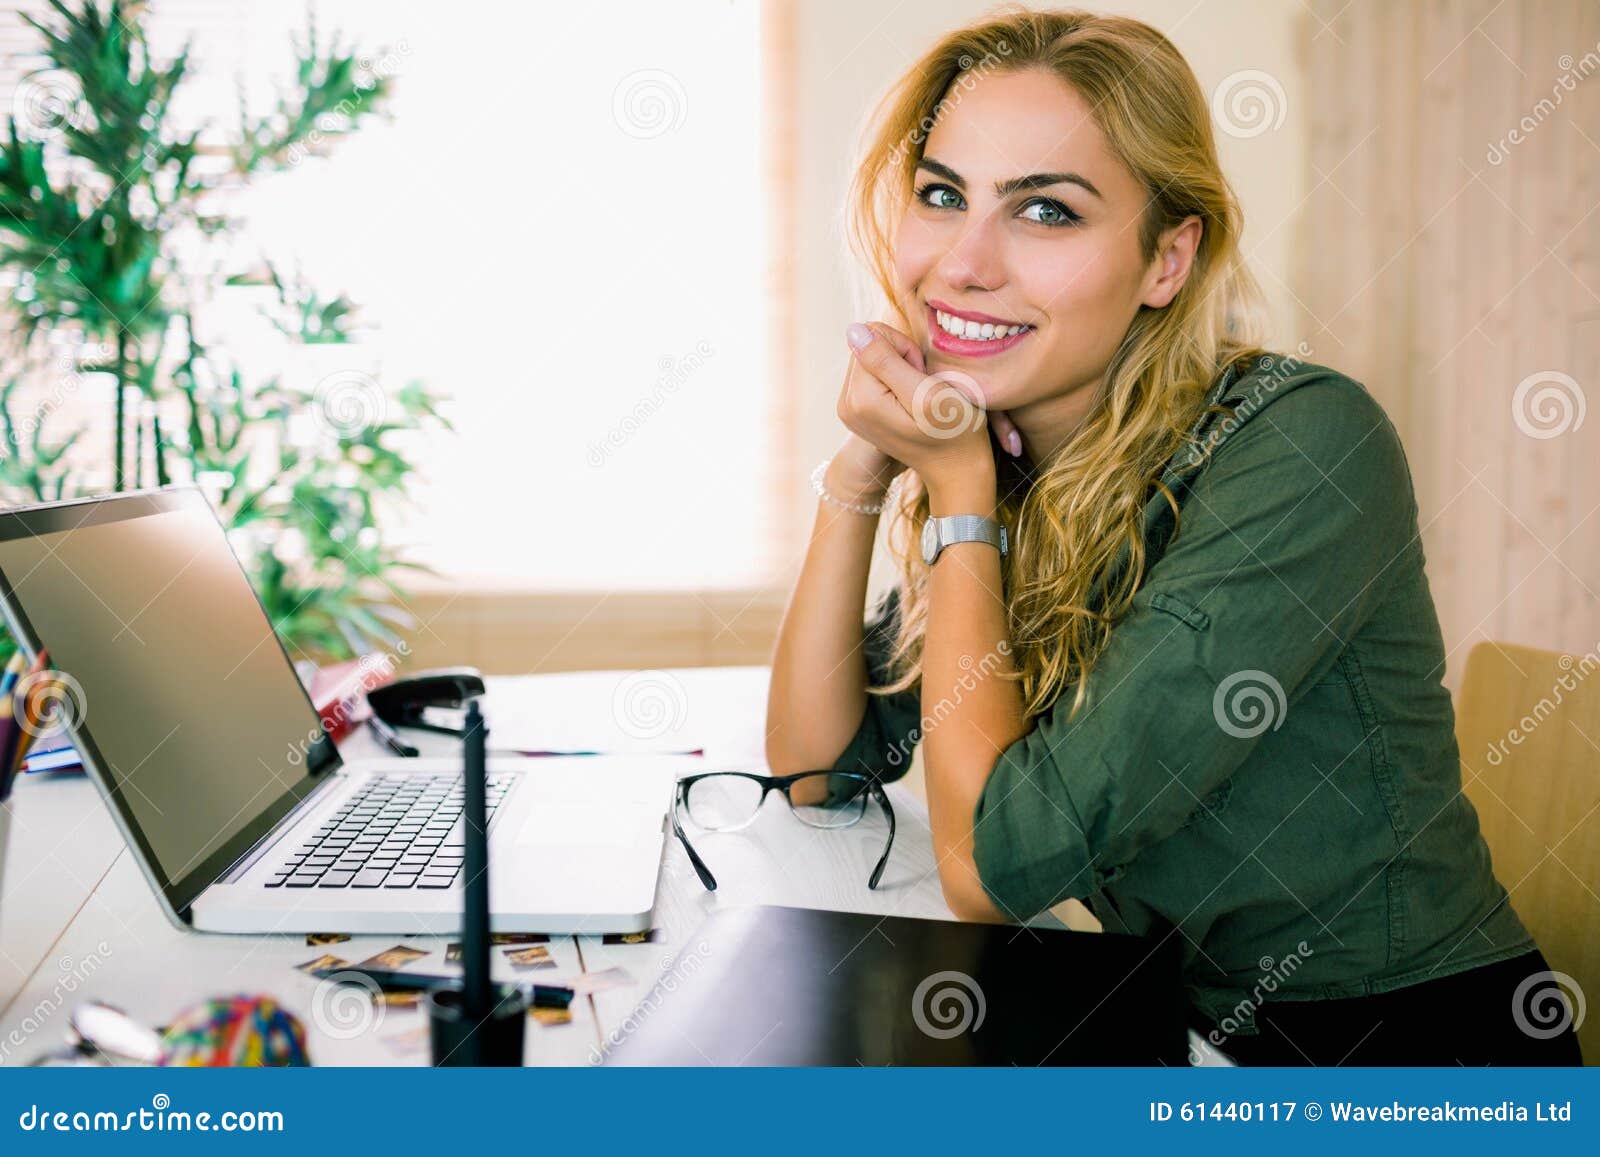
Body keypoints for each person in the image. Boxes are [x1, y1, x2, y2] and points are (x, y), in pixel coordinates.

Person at [763, 7, 1580, 1066]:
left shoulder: (1302, 445)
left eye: (1045, 211)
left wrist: (959, 498)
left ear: (1166, 258)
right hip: (1171, 1030)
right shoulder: (1020, 451)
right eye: (941, 193)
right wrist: (859, 471)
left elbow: (985, 866)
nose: (961, 264)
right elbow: (816, 765)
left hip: (1401, 1064)